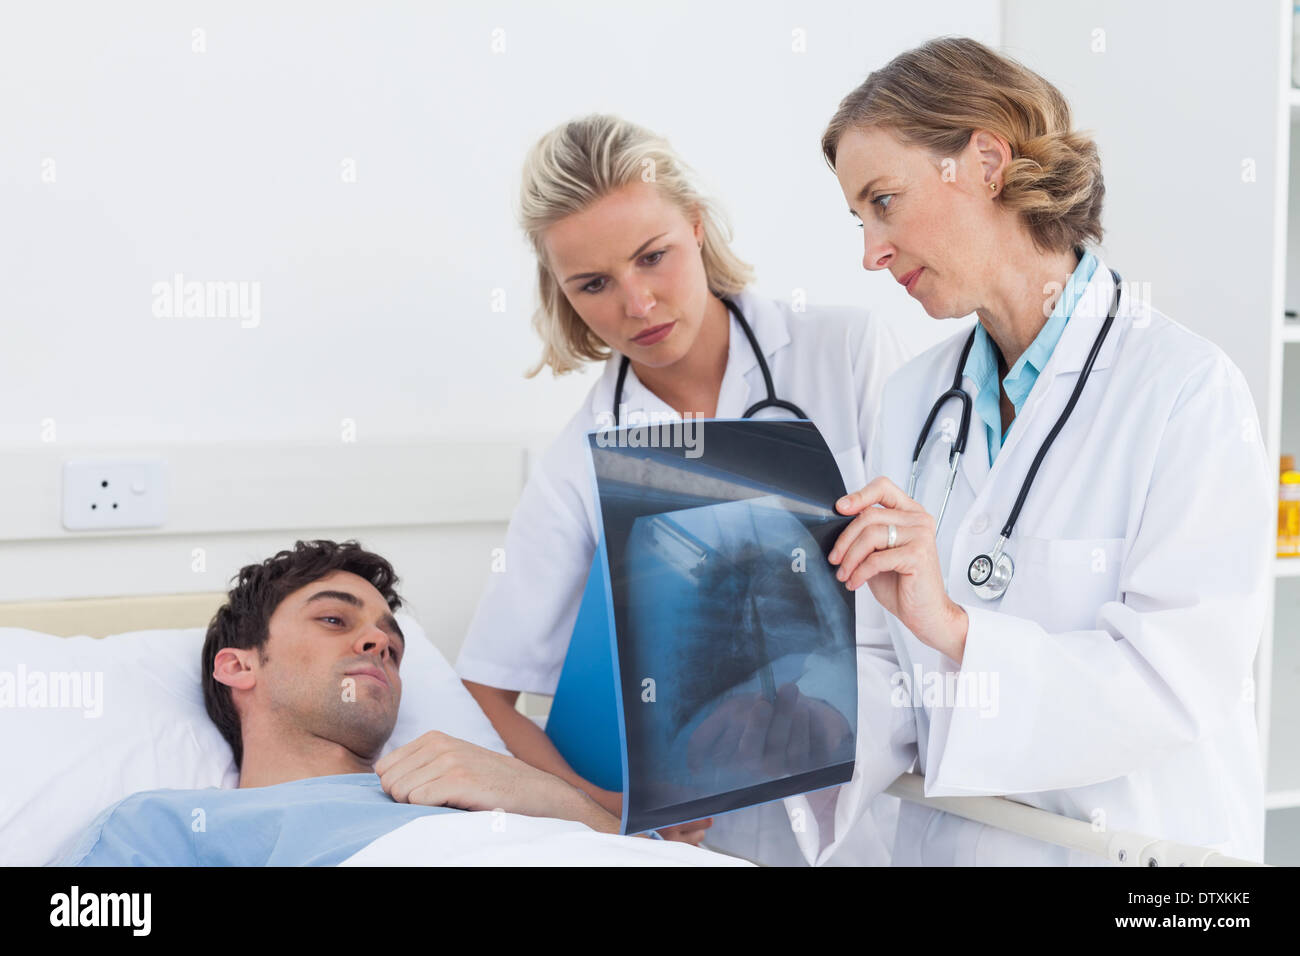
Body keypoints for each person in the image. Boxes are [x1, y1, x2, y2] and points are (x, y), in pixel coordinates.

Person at [786, 36, 1272, 866]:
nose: (871, 252)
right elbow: (886, 660)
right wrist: (781, 731)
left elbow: (1174, 683)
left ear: (984, 161)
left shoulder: (1185, 392)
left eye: (886, 201)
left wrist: (954, 626)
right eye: (859, 220)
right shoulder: (912, 402)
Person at [455, 113, 911, 865]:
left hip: (872, 792)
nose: (635, 304)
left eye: (653, 257)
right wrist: (602, 808)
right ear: (563, 292)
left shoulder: (847, 352)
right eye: (593, 284)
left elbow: (936, 568)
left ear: (697, 228)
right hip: (694, 842)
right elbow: (484, 691)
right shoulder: (581, 458)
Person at [56, 540, 690, 866]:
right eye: (335, 620)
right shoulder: (168, 826)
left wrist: (545, 795)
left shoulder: (500, 793)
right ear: (238, 665)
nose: (379, 641)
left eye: (392, 639)